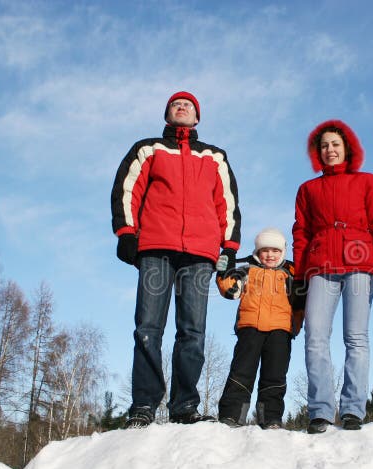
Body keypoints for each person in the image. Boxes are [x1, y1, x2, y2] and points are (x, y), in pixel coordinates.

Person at [111, 90, 241, 427]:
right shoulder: (149, 148)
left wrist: (229, 247)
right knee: (148, 328)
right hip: (156, 248)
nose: (181, 107)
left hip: (200, 254)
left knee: (192, 331)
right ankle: (143, 405)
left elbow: (226, 203)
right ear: (168, 114)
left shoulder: (215, 157)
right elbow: (128, 189)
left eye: (188, 105)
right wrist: (126, 232)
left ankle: (184, 406)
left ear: (197, 117)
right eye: (175, 104)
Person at [292, 119, 373, 434]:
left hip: (360, 263)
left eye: (335, 144)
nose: (330, 150)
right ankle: (321, 411)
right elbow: (301, 233)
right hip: (321, 265)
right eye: (324, 146)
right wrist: (299, 278)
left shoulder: (368, 182)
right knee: (315, 337)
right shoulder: (308, 189)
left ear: (347, 148)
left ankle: (353, 410)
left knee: (356, 337)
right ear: (318, 153)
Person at [216, 228, 304, 430]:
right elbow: (231, 290)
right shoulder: (247, 271)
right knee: (241, 373)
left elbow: (299, 302)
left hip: (280, 332)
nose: (270, 255)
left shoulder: (290, 273)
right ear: (257, 252)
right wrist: (223, 271)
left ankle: (270, 418)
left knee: (274, 376)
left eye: (275, 250)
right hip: (250, 329)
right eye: (265, 250)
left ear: (282, 252)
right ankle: (232, 415)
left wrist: (296, 325)